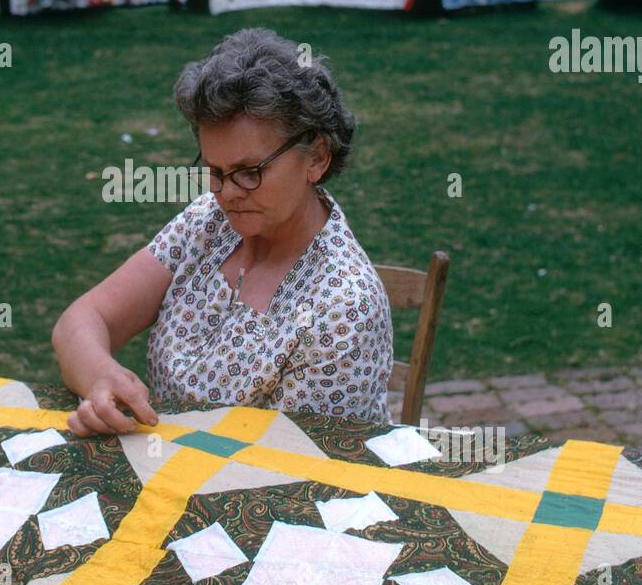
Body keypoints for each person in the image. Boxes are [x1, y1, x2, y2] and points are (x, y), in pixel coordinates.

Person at [52, 27, 394, 438]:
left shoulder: (342, 307)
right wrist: (102, 378)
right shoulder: (207, 223)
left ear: (317, 157)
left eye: (249, 172)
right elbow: (81, 320)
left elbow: (296, 471)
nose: (228, 194)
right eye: (216, 171)